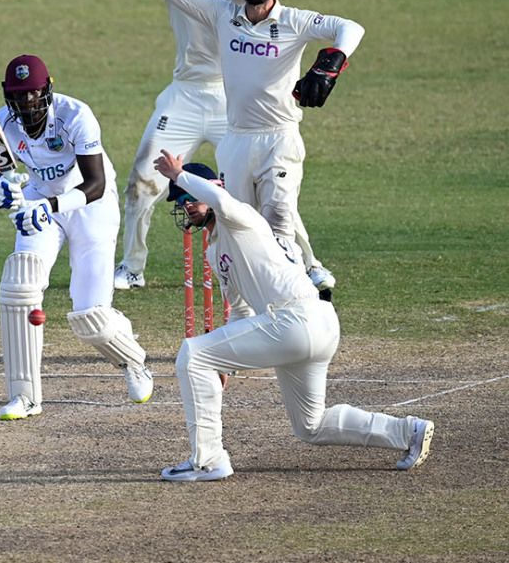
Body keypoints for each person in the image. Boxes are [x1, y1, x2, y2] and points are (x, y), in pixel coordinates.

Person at [152, 153, 434, 481]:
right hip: (305, 327)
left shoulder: (240, 216)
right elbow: (241, 309)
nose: (185, 205)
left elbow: (221, 201)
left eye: (189, 198)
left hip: (296, 319)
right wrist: (225, 363)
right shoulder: (216, 249)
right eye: (180, 201)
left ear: (210, 189)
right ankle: (407, 432)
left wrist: (179, 174)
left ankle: (208, 460)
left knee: (193, 353)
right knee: (310, 425)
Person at [144, 0, 363, 297]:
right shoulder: (222, 13)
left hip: (279, 136)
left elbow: (351, 27)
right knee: (240, 226)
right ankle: (249, 307)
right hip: (237, 140)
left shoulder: (295, 20)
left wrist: (330, 63)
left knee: (279, 216)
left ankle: (301, 294)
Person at [0, 54, 152, 420]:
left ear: (47, 89)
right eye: (18, 97)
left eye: (32, 95)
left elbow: (95, 185)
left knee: (90, 316)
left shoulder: (76, 115)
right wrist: (2, 193)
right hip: (39, 203)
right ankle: (24, 396)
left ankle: (134, 361)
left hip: (88, 205)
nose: (26, 104)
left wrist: (48, 204)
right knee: (20, 285)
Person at [111, 0, 237, 290]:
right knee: (142, 182)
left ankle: (299, 259)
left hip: (230, 97)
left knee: (257, 182)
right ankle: (132, 267)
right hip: (183, 96)